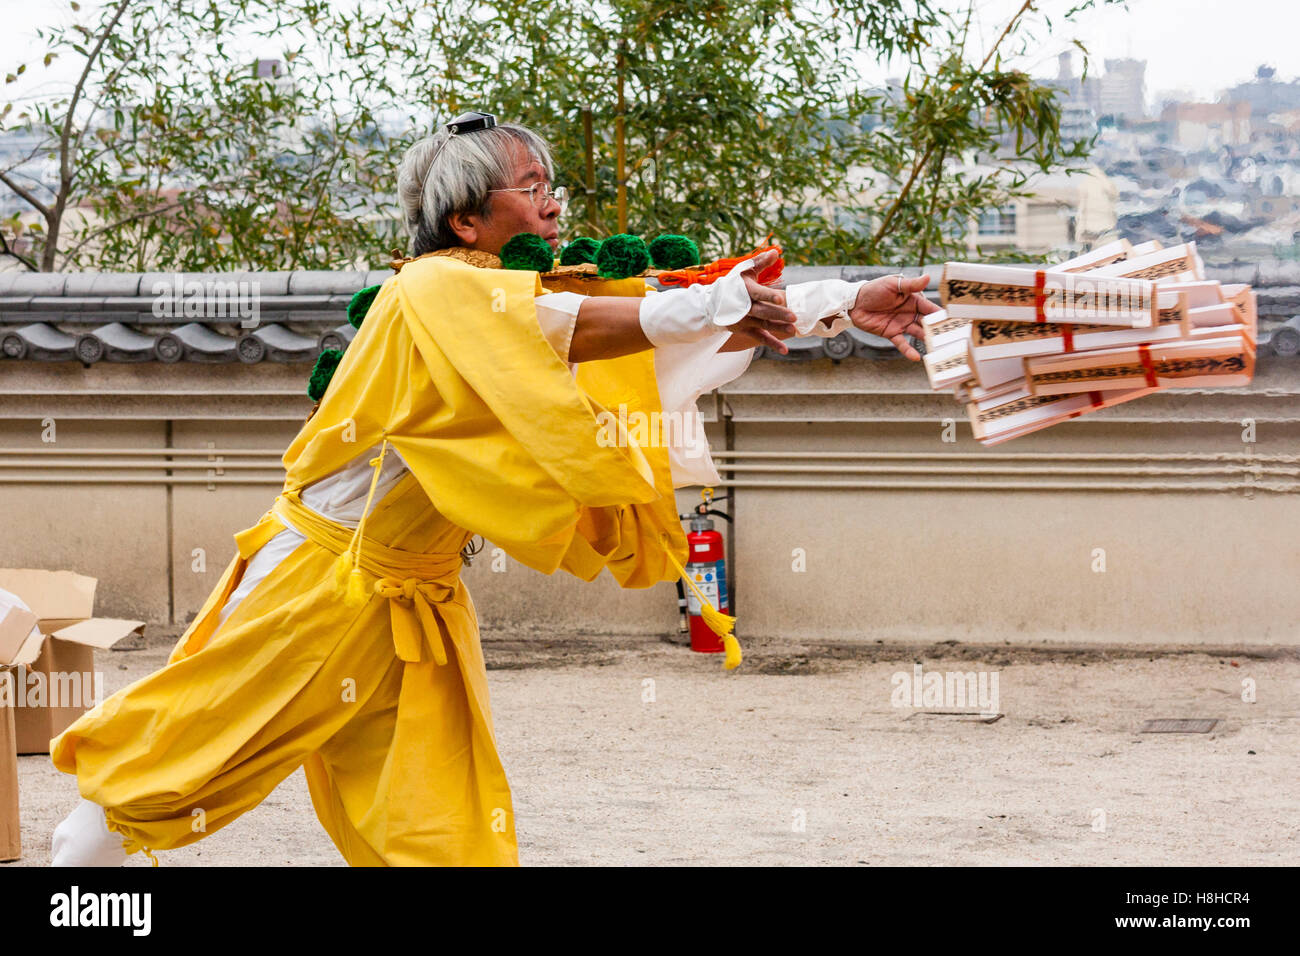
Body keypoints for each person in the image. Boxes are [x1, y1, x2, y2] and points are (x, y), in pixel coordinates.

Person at [48, 112, 936, 866]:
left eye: (552, 182)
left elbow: (644, 337)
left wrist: (841, 297)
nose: (552, 199)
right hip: (322, 584)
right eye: (529, 184)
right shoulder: (432, 291)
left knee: (439, 821)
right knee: (172, 762)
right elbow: (605, 326)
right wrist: (715, 305)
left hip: (418, 594)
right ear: (465, 220)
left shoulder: (522, 297)